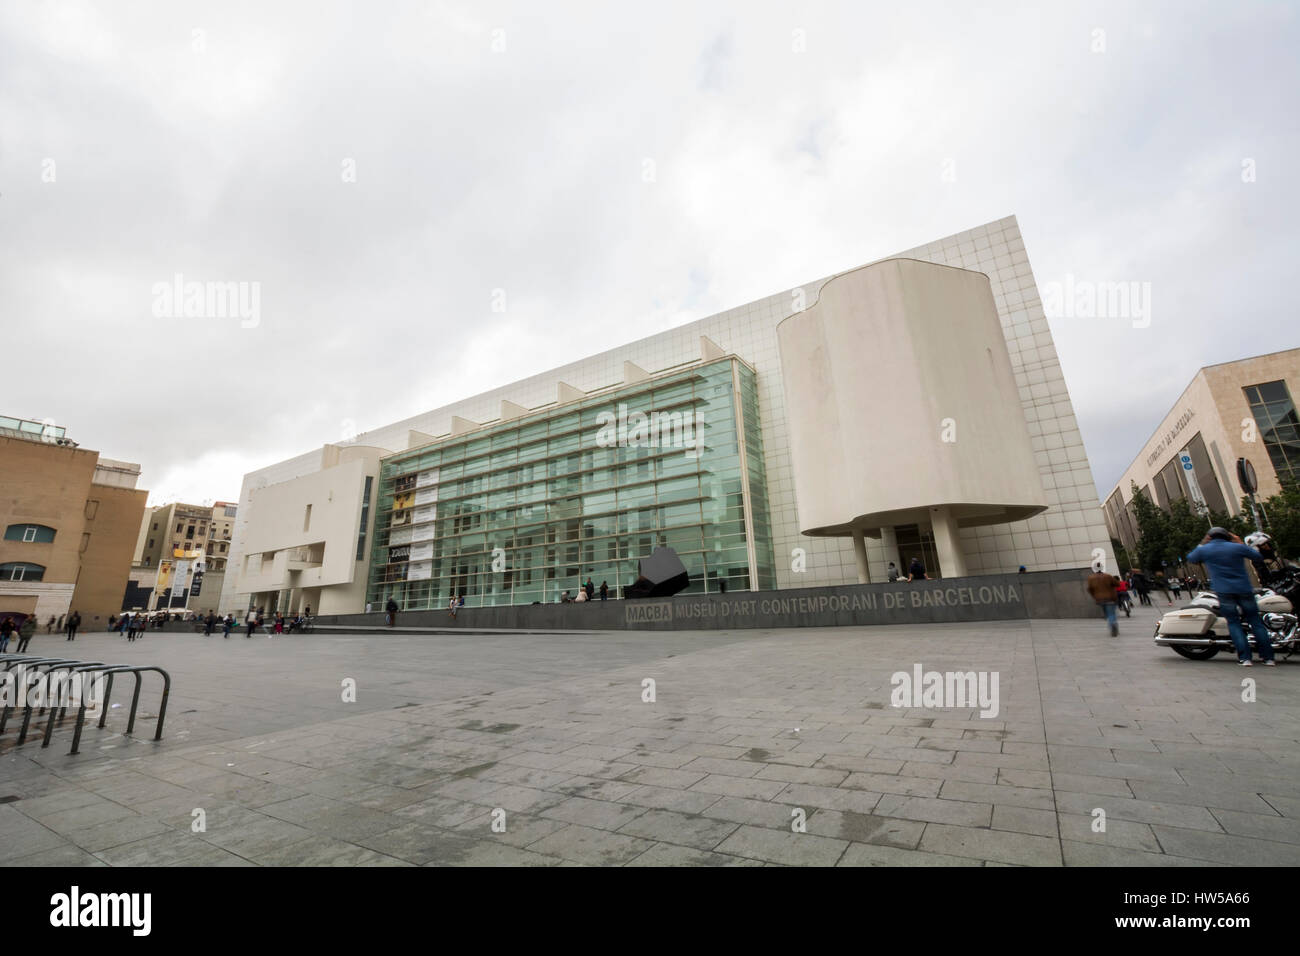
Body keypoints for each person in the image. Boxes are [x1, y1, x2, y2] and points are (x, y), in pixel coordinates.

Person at [1187, 528, 1275, 666]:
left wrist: (1203, 542)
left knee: (1234, 623)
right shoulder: (1236, 547)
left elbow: (1191, 558)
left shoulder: (1206, 549)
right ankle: (1268, 658)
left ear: (1211, 537)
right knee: (1256, 622)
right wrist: (1240, 542)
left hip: (1224, 591)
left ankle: (1245, 658)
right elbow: (1257, 557)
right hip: (1244, 589)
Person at [1085, 564, 1119, 637]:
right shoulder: (1108, 576)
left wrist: (1094, 595)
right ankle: (1113, 623)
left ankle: (1111, 622)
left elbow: (1090, 589)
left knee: (1107, 613)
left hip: (1099, 599)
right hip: (1110, 598)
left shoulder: (1091, 578)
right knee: (1111, 613)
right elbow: (1117, 584)